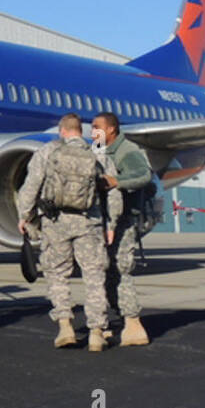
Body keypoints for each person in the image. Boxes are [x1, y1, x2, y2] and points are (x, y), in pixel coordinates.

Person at [16, 114, 121, 351]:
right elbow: (113, 193)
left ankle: (65, 327)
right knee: (94, 277)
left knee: (57, 275)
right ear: (79, 131)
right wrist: (111, 224)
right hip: (89, 223)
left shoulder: (47, 152)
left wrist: (24, 216)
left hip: (56, 223)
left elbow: (30, 186)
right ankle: (96, 332)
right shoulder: (98, 153)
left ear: (62, 131)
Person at [91, 111, 154, 346]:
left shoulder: (127, 150)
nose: (92, 130)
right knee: (104, 271)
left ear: (111, 130)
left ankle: (133, 323)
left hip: (124, 220)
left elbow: (143, 175)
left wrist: (118, 181)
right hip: (104, 221)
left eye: (97, 126)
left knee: (120, 269)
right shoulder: (98, 149)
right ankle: (109, 319)